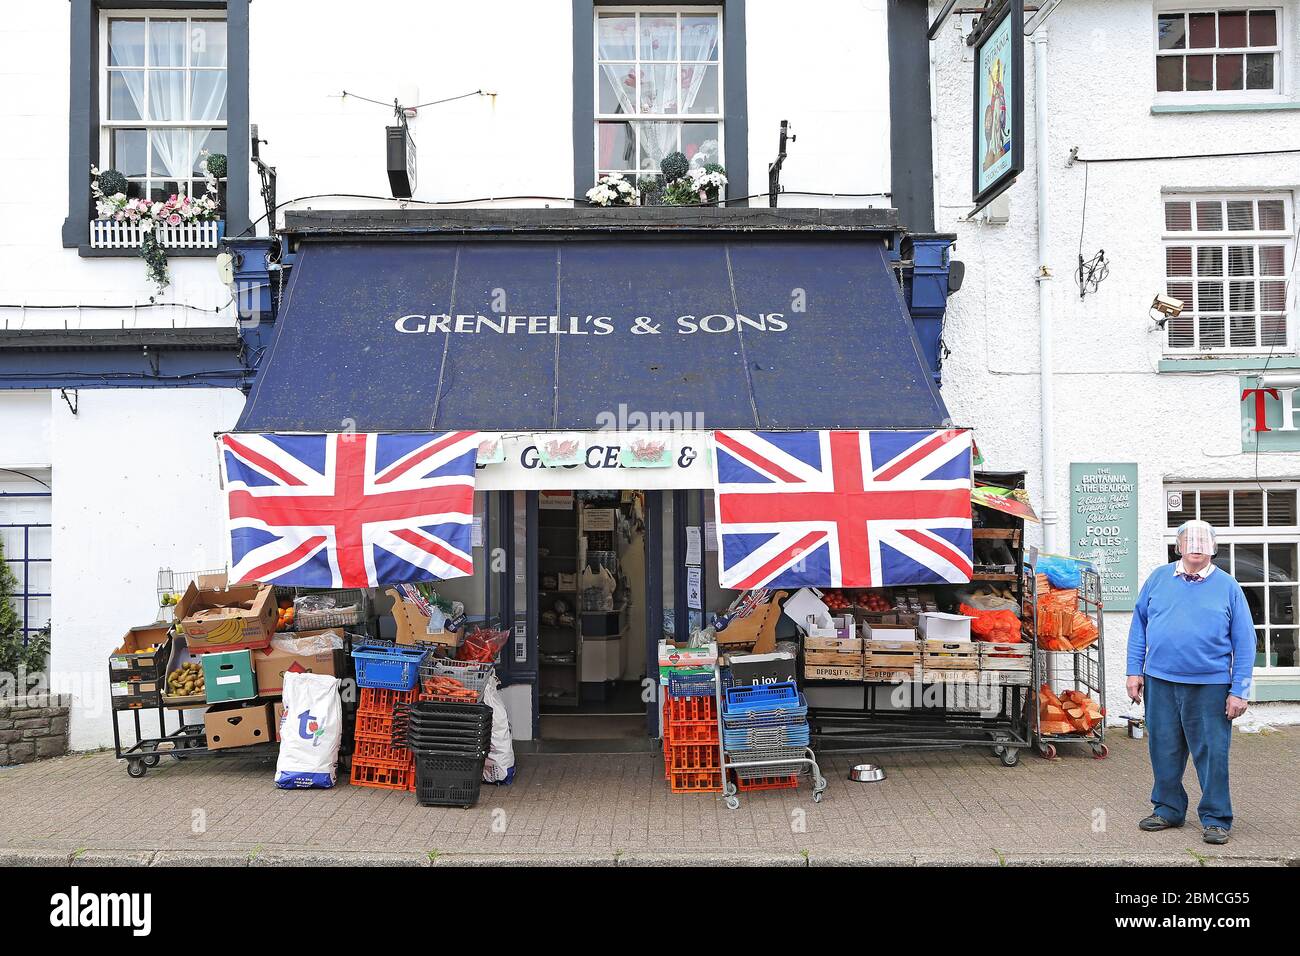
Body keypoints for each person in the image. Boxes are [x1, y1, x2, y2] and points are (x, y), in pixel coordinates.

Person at [1127, 519, 1253, 845]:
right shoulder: (1158, 579)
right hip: (1160, 681)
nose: (1196, 549)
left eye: (1203, 544)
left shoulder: (1228, 587)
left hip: (1210, 687)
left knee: (1211, 753)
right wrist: (1133, 671)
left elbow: (1245, 641)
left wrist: (1239, 690)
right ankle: (1168, 808)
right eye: (1190, 543)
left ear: (1213, 548)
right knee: (1163, 748)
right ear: (1179, 546)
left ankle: (1216, 818)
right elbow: (1139, 626)